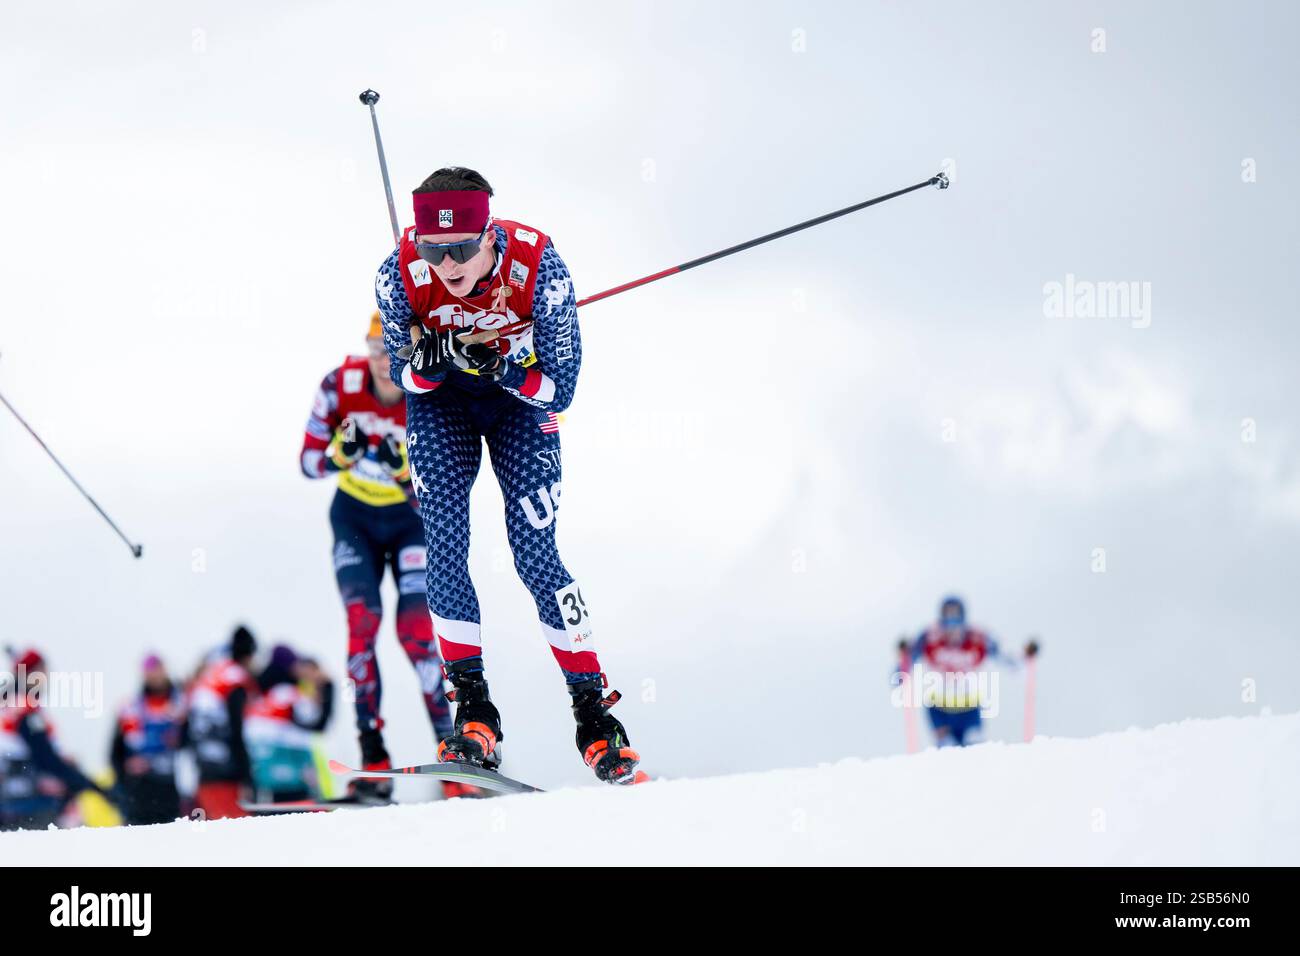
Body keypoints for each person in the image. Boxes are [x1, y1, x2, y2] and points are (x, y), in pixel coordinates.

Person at [373, 166, 642, 784]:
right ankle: (474, 713)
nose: (447, 264)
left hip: (522, 403)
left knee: (534, 552)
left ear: (489, 233)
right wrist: (431, 363)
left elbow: (561, 390)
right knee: (442, 545)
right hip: (443, 409)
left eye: (462, 248)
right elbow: (404, 380)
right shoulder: (399, 274)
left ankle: (594, 713)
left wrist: (501, 370)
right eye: (434, 248)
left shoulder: (539, 267)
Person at [300, 313, 456, 799]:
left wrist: (402, 472)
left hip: (409, 523)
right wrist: (339, 457)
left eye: (395, 349)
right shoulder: (339, 384)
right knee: (362, 622)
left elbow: (443, 493)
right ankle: (373, 756)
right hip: (355, 521)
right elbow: (307, 463)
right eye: (377, 349)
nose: (387, 362)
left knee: (414, 632)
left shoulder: (427, 391)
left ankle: (452, 753)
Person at [0, 648, 117, 830]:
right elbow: (47, 760)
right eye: (42, 671)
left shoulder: (8, 704)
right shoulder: (25, 709)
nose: (46, 678)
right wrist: (92, 786)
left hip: (10, 802)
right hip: (28, 806)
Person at [899, 596, 1034, 747]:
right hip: (939, 708)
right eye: (948, 623)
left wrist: (1025, 657)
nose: (953, 630)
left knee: (973, 748)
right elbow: (908, 661)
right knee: (947, 749)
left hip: (969, 707)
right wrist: (901, 669)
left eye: (956, 623)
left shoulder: (979, 638)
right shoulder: (929, 637)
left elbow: (1004, 658)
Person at [245, 645, 334, 804]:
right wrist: (327, 688)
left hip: (267, 776)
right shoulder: (288, 694)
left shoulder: (263, 696)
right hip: (295, 773)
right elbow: (319, 724)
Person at [186, 625, 259, 818]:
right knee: (238, 838)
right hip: (226, 775)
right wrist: (248, 777)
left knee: (220, 838)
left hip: (205, 773)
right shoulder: (235, 681)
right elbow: (237, 731)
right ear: (248, 655)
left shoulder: (211, 676)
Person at [109, 654, 186, 825]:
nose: (155, 675)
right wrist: (123, 776)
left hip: (169, 790)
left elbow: (190, 742)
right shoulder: (130, 708)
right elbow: (115, 752)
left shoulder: (181, 704)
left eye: (158, 670)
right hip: (138, 792)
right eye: (150, 671)